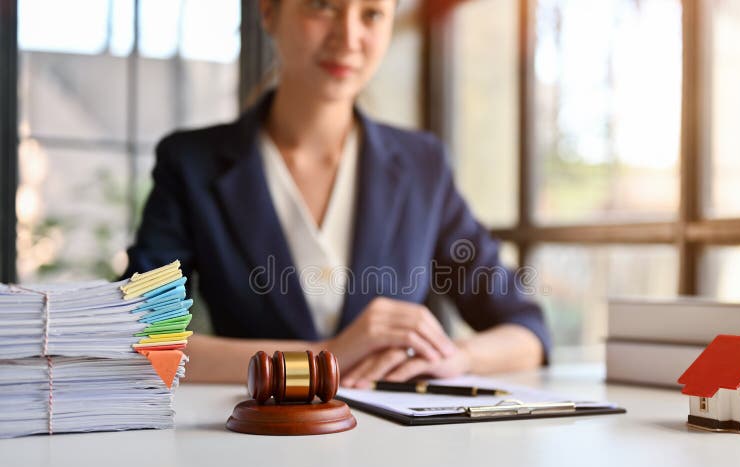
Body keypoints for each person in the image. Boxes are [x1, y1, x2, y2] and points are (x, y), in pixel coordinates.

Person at [123, 0, 551, 386]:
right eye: (322, 6)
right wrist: (324, 359)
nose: (348, 38)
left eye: (372, 14)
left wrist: (456, 356)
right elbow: (142, 335)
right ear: (268, 12)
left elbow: (527, 330)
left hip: (394, 451)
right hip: (253, 444)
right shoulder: (192, 163)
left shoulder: (423, 165)